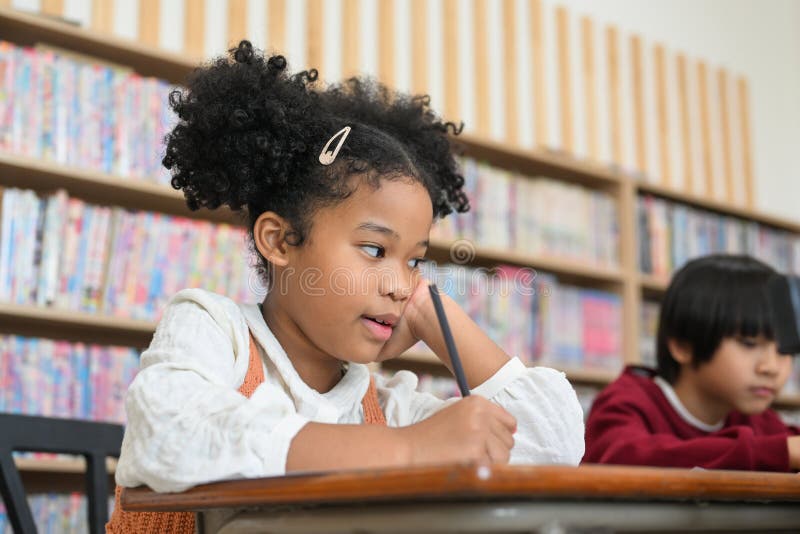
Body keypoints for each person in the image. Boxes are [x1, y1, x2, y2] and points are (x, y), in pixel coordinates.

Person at [107, 40, 584, 531]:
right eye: (376, 250)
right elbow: (166, 430)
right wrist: (406, 451)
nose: (401, 285)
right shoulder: (213, 330)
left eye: (415, 261)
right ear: (281, 240)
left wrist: (434, 312)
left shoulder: (381, 403)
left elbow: (552, 450)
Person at [584, 254, 799, 471]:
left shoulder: (758, 420)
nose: (771, 367)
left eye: (784, 350)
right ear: (683, 346)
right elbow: (626, 459)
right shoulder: (626, 403)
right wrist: (781, 452)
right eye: (749, 343)